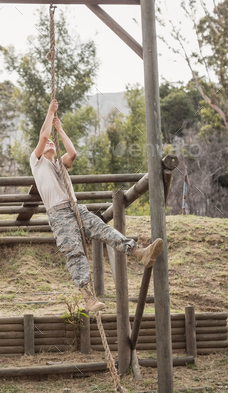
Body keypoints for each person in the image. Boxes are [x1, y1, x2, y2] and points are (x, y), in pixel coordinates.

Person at [30, 99, 163, 312]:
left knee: (104, 229)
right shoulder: (36, 162)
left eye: (52, 143)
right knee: (75, 252)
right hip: (59, 214)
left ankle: (139, 252)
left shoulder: (60, 164)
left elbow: (72, 154)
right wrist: (50, 112)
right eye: (48, 144)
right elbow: (44, 136)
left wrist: (61, 130)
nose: (50, 143)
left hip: (75, 208)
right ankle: (88, 296)